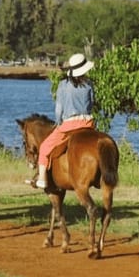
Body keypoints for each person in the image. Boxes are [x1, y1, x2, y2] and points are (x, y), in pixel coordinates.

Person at [29, 53, 95, 189]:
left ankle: (41, 178)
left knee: (45, 147)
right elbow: (91, 104)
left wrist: (58, 122)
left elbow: (59, 109)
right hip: (88, 123)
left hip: (69, 125)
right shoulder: (89, 84)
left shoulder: (63, 85)